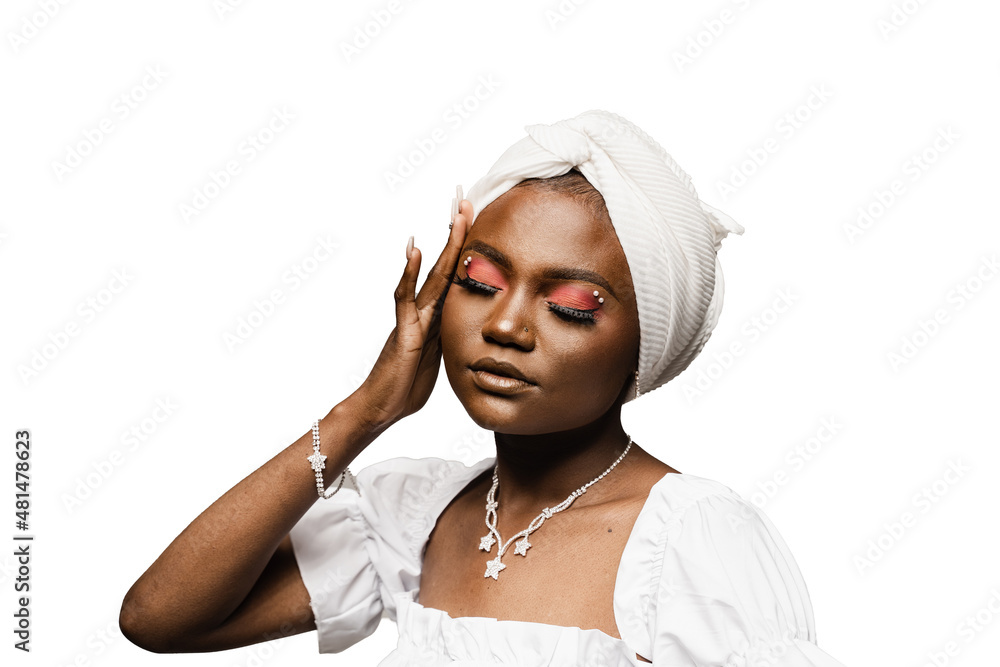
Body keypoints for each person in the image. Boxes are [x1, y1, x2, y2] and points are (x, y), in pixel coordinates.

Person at [120, 110, 847, 665]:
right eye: (480, 280)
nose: (505, 325)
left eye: (570, 306)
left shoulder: (693, 538)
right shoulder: (415, 515)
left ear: (646, 344)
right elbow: (159, 617)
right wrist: (365, 412)